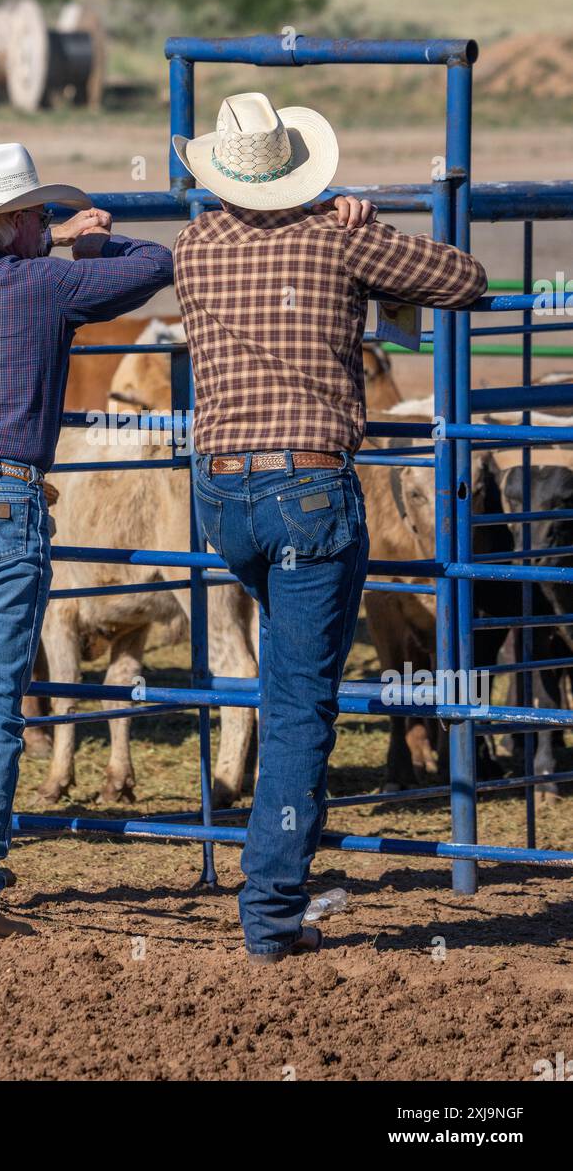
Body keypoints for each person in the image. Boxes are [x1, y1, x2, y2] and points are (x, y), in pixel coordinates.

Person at [172, 92, 487, 963]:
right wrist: (363, 227)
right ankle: (272, 914)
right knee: (302, 702)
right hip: (309, 487)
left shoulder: (194, 246)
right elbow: (465, 280)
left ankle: (272, 885)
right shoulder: (338, 235)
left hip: (223, 495)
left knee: (285, 673)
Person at [0, 141, 173, 944]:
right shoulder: (48, 286)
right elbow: (153, 263)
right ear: (16, 221)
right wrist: (89, 243)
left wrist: (46, 237)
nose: (50, 224)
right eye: (39, 213)